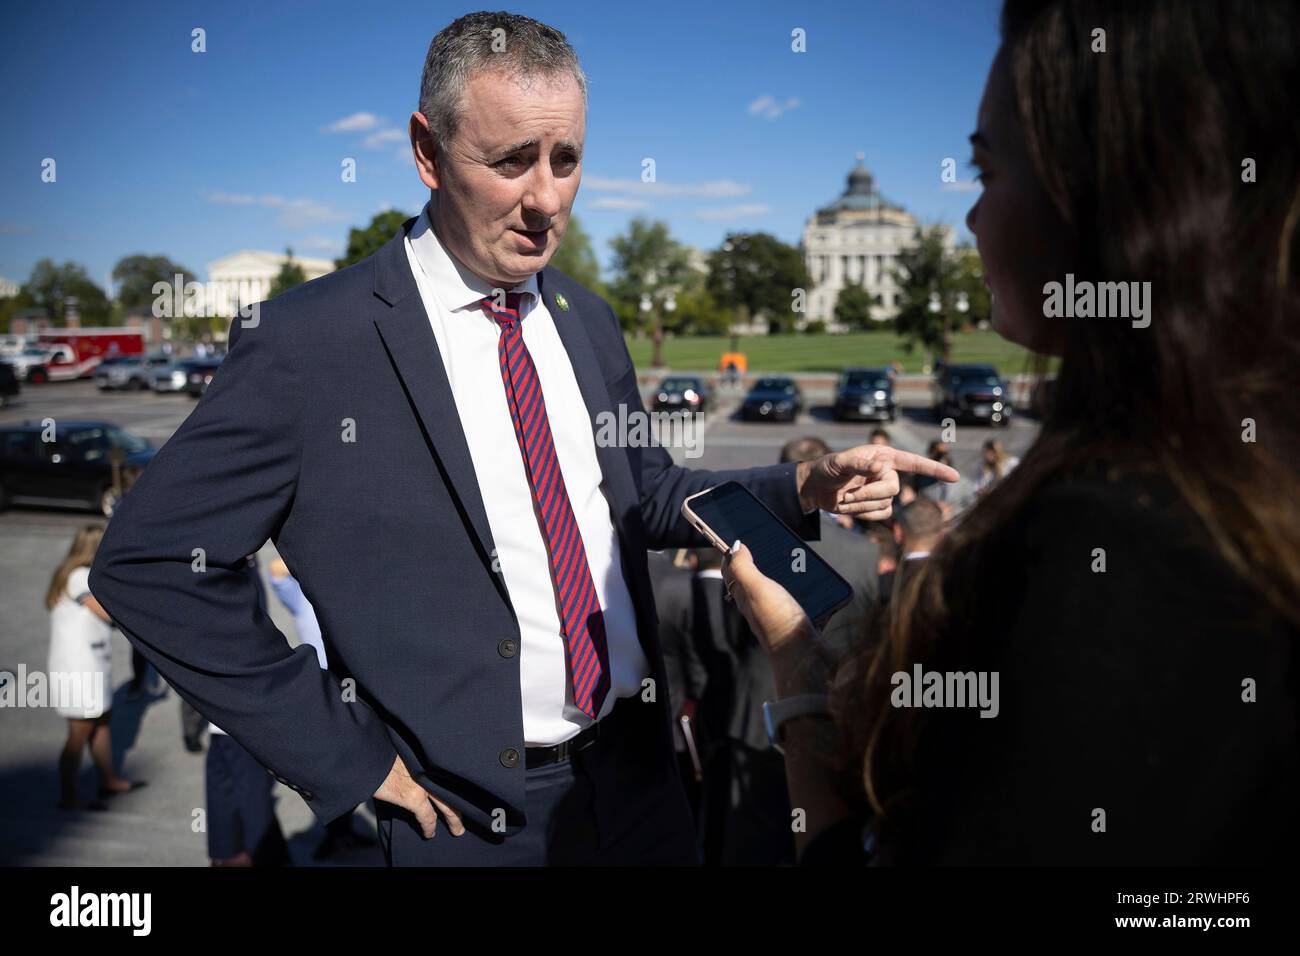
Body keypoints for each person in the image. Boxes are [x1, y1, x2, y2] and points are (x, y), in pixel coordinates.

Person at [88, 11, 955, 867]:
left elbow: (645, 492)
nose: (546, 198)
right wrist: (341, 756)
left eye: (567, 159)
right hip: (460, 820)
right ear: (427, 152)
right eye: (510, 162)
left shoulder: (586, 316)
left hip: (639, 788)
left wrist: (803, 490)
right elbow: (151, 563)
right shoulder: (310, 343)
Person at [721, 0, 1300, 865]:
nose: (971, 221)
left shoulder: (1109, 539)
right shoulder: (1234, 472)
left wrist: (800, 682)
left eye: (988, 172)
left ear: (1107, 196)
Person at [46, 526, 146, 811]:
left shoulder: (79, 575)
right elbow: (107, 613)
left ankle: (108, 779)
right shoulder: (79, 578)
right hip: (78, 667)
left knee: (101, 721)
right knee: (79, 731)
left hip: (90, 662)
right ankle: (69, 796)